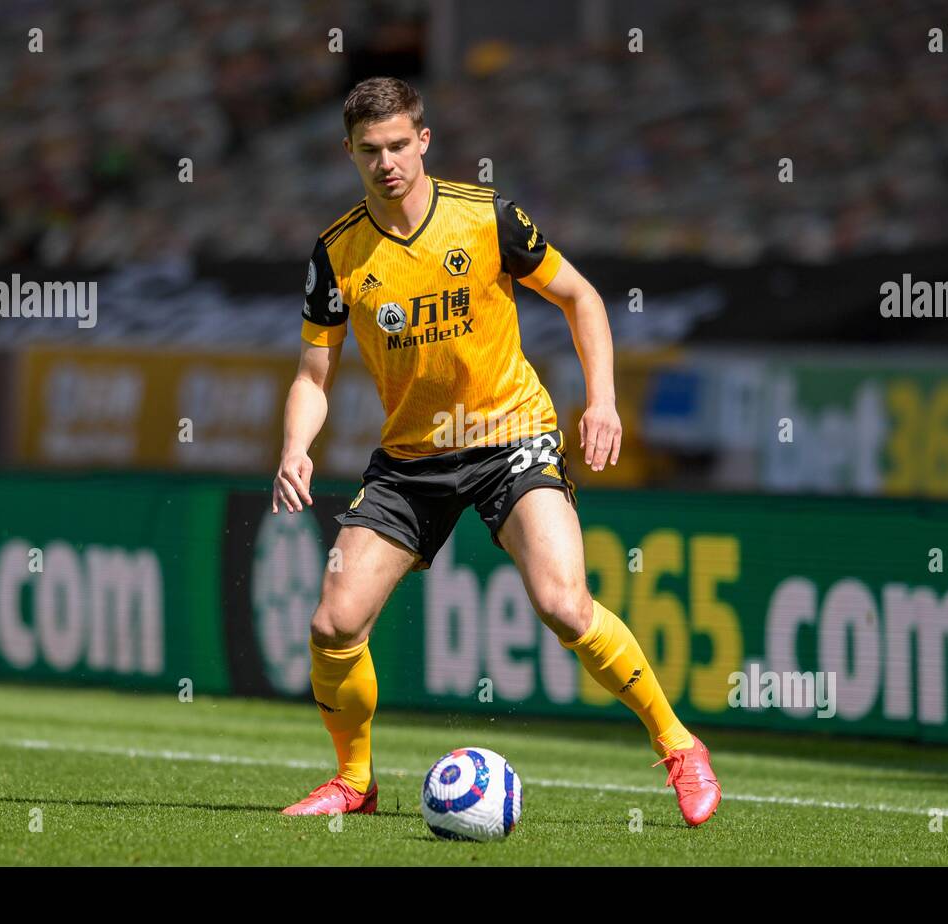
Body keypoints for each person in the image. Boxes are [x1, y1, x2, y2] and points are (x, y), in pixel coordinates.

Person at [274, 76, 720, 826]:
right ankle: (355, 782)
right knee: (333, 624)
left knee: (563, 604)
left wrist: (603, 400)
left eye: (397, 146)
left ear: (424, 140)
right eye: (368, 150)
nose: (386, 163)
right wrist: (295, 447)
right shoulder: (337, 254)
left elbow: (582, 298)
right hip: (410, 460)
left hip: (510, 436)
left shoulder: (488, 218)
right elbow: (313, 374)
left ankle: (680, 747)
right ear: (347, 151)